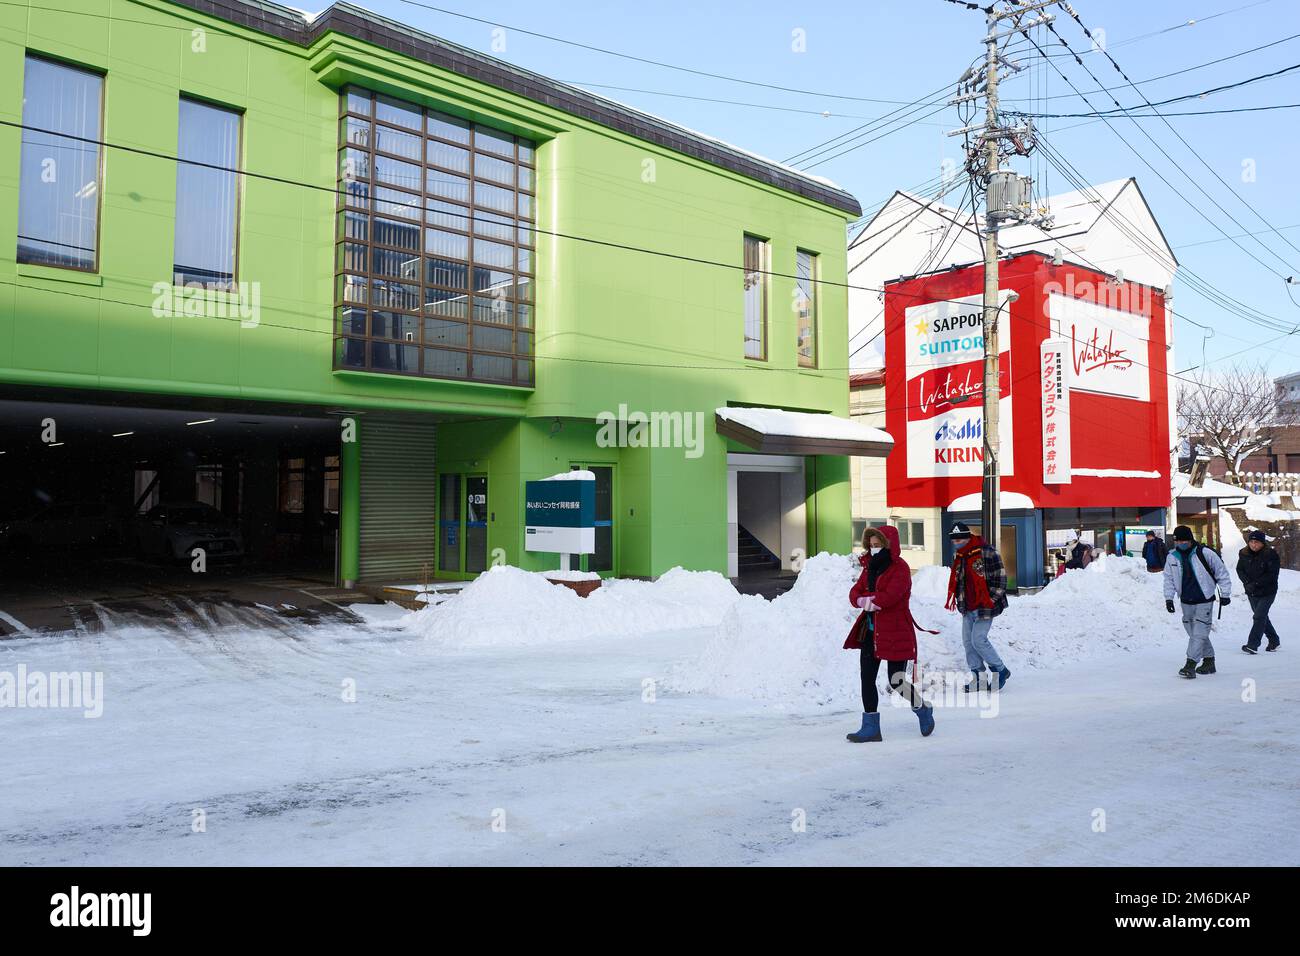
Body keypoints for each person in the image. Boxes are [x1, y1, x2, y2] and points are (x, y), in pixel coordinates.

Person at [843, 525, 934, 743]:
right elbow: (855, 591)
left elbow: (890, 596)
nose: (874, 549)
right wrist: (862, 599)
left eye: (878, 545)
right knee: (867, 678)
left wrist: (869, 599)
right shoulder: (869, 567)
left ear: (888, 545)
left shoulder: (900, 568)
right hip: (870, 631)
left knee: (897, 681)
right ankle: (871, 727)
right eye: (871, 545)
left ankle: (922, 709)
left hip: (895, 631)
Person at [944, 521, 1011, 691]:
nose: (956, 543)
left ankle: (1000, 670)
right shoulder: (959, 556)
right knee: (968, 643)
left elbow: (1001, 579)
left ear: (967, 537)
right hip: (968, 606)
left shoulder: (987, 552)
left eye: (959, 539)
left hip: (985, 605)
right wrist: (960, 602)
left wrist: (991, 599)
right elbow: (960, 582)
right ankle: (979, 678)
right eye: (953, 540)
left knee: (978, 640)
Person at [1163, 524, 1232, 679]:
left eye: (1184, 540)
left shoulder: (1205, 553)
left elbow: (1221, 572)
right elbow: (1168, 579)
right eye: (1178, 541)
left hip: (1204, 598)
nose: (1181, 543)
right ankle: (1209, 661)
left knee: (1200, 631)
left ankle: (1190, 663)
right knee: (1193, 632)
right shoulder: (1172, 556)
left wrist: (1225, 594)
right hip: (1186, 600)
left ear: (1190, 539)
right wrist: (1169, 598)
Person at [1237, 529, 1281, 654]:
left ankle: (1253, 645)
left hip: (1268, 592)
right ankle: (1274, 640)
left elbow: (1272, 575)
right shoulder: (1243, 553)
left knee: (1259, 616)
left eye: (1257, 542)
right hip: (1252, 592)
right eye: (1251, 542)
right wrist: (1246, 582)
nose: (1253, 545)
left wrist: (1255, 584)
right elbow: (1239, 569)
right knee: (1262, 617)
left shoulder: (1271, 555)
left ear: (1262, 543)